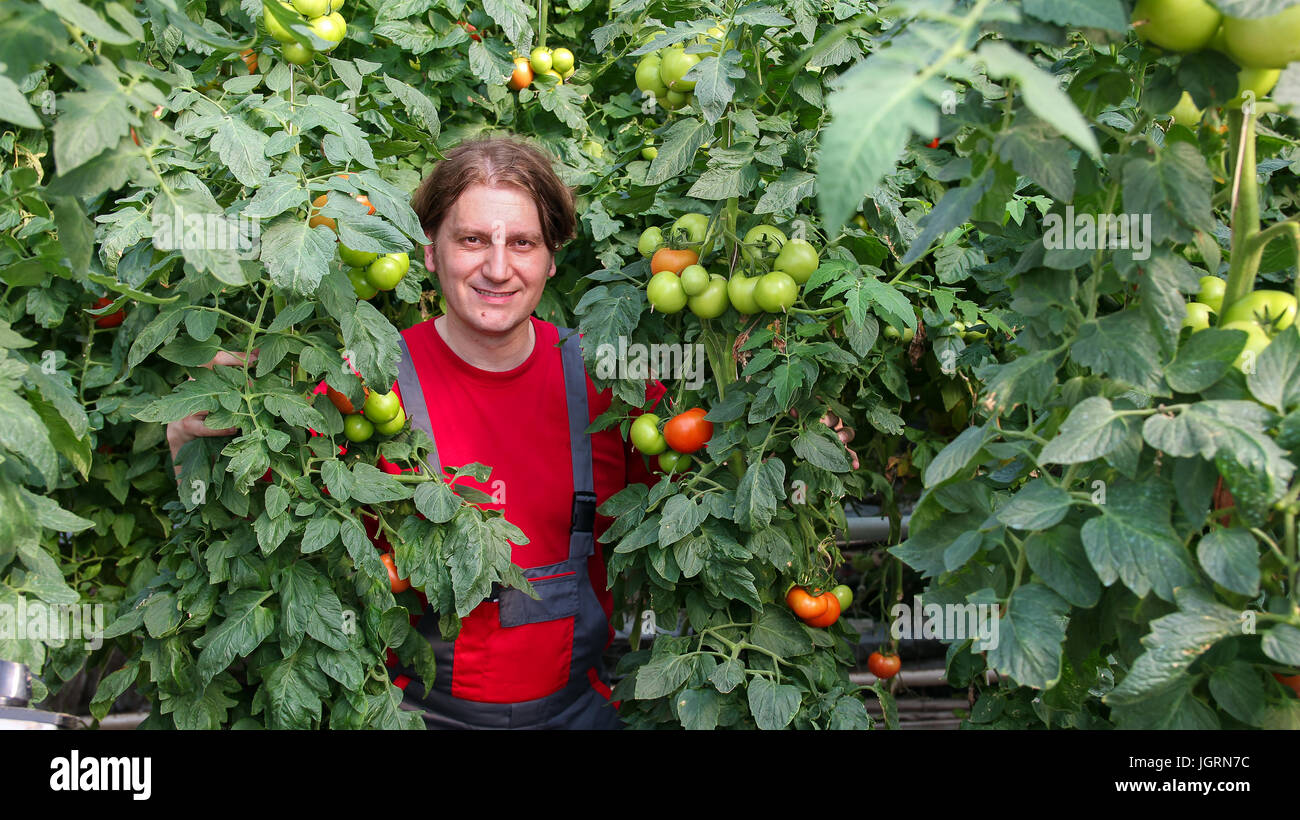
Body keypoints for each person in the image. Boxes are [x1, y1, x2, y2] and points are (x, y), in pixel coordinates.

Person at [167, 135, 661, 729]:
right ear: (431, 252)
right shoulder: (363, 386)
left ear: (551, 258)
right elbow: (259, 529)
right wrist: (188, 443)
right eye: (472, 239)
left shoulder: (612, 386)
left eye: (523, 243)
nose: (498, 268)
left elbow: (683, 511)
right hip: (412, 714)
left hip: (581, 712)